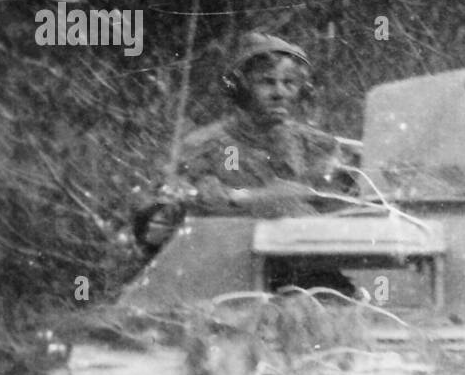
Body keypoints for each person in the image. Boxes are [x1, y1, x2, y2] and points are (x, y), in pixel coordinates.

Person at [133, 31, 358, 252]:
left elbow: (349, 215)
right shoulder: (203, 147)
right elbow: (153, 226)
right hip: (225, 266)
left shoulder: (317, 147)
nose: (279, 93)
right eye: (267, 82)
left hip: (307, 267)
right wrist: (244, 199)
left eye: (289, 83)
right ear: (242, 87)